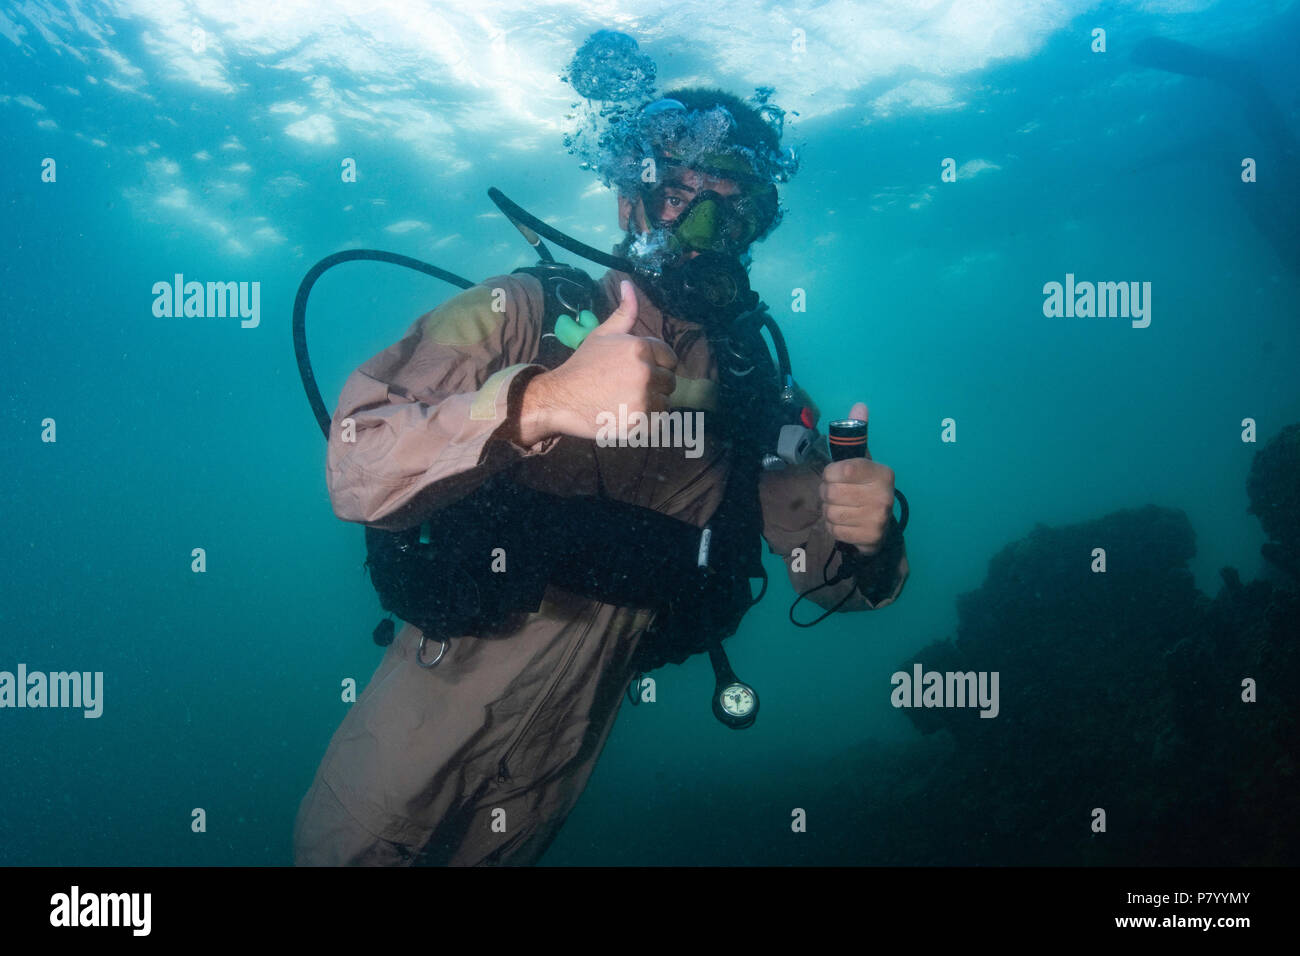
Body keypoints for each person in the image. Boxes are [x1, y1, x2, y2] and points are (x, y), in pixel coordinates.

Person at [293, 87, 909, 866]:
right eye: (681, 197)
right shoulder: (514, 310)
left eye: (736, 208)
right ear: (631, 203)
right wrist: (541, 402)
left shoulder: (758, 393)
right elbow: (355, 466)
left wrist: (870, 537)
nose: (709, 233)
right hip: (416, 729)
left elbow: (836, 587)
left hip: (558, 766)